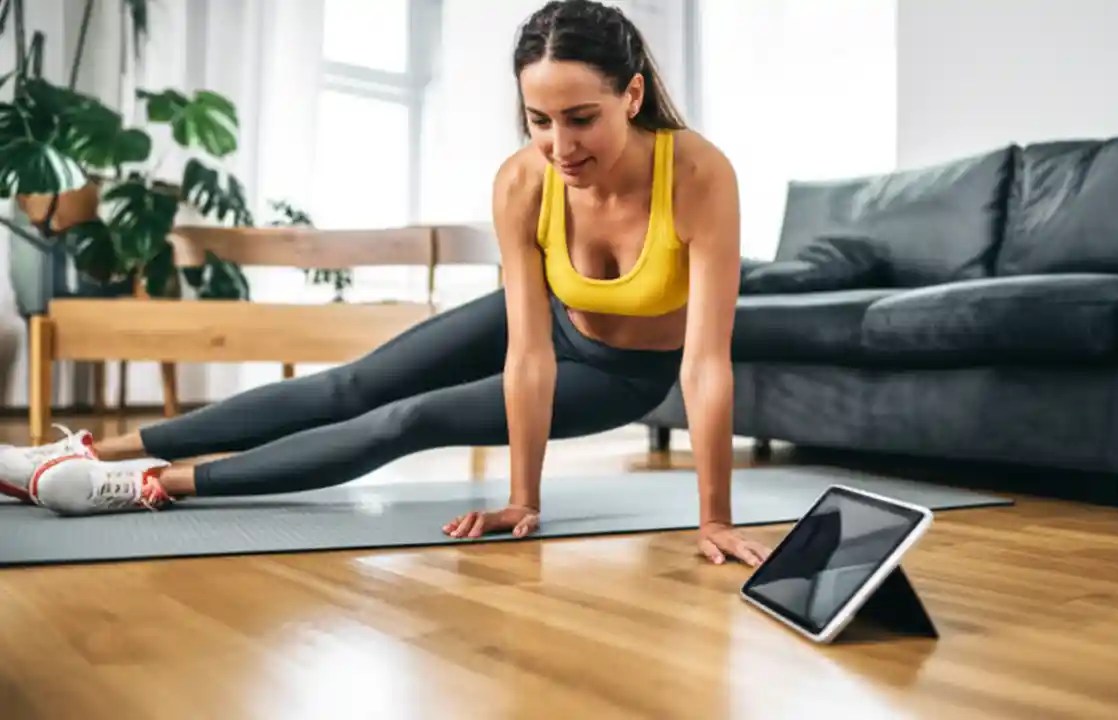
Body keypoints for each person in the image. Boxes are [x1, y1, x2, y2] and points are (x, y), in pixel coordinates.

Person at [0, 0, 772, 567]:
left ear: (631, 96)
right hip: (550, 325)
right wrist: (524, 496)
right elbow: (528, 351)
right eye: (539, 119)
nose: (558, 144)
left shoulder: (697, 176)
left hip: (623, 373)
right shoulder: (523, 181)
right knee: (354, 384)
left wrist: (714, 517)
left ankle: (151, 483)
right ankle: (86, 453)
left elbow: (705, 364)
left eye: (581, 118)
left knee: (408, 420)